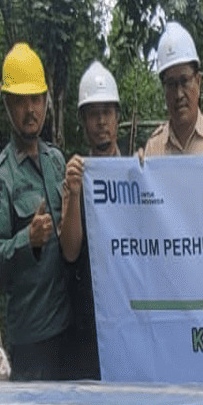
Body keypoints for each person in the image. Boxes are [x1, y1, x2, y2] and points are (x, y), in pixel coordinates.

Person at [0, 43, 72, 381]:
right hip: (32, 341)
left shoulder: (57, 162)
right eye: (20, 101)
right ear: (7, 105)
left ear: (47, 102)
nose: (30, 109)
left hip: (68, 328)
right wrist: (26, 240)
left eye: (35, 99)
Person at [59, 60, 122, 379]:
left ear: (117, 118)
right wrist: (72, 194)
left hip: (128, 320)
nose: (101, 122)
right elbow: (70, 251)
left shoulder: (133, 175)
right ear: (83, 121)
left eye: (107, 112)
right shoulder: (75, 177)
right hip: (88, 326)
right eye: (93, 114)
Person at [143, 21, 203, 157]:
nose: (179, 94)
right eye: (171, 84)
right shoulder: (154, 148)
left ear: (198, 81)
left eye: (184, 81)